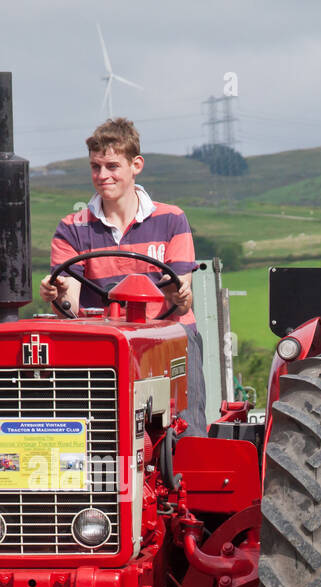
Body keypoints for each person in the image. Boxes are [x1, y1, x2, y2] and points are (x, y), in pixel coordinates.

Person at [41, 118, 207, 433]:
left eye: (112, 166)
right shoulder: (72, 228)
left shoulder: (171, 219)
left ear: (136, 165)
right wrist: (59, 292)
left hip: (165, 338)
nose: (103, 176)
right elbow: (70, 304)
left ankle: (186, 452)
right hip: (105, 345)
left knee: (186, 429)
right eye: (95, 167)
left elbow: (180, 299)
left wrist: (180, 295)